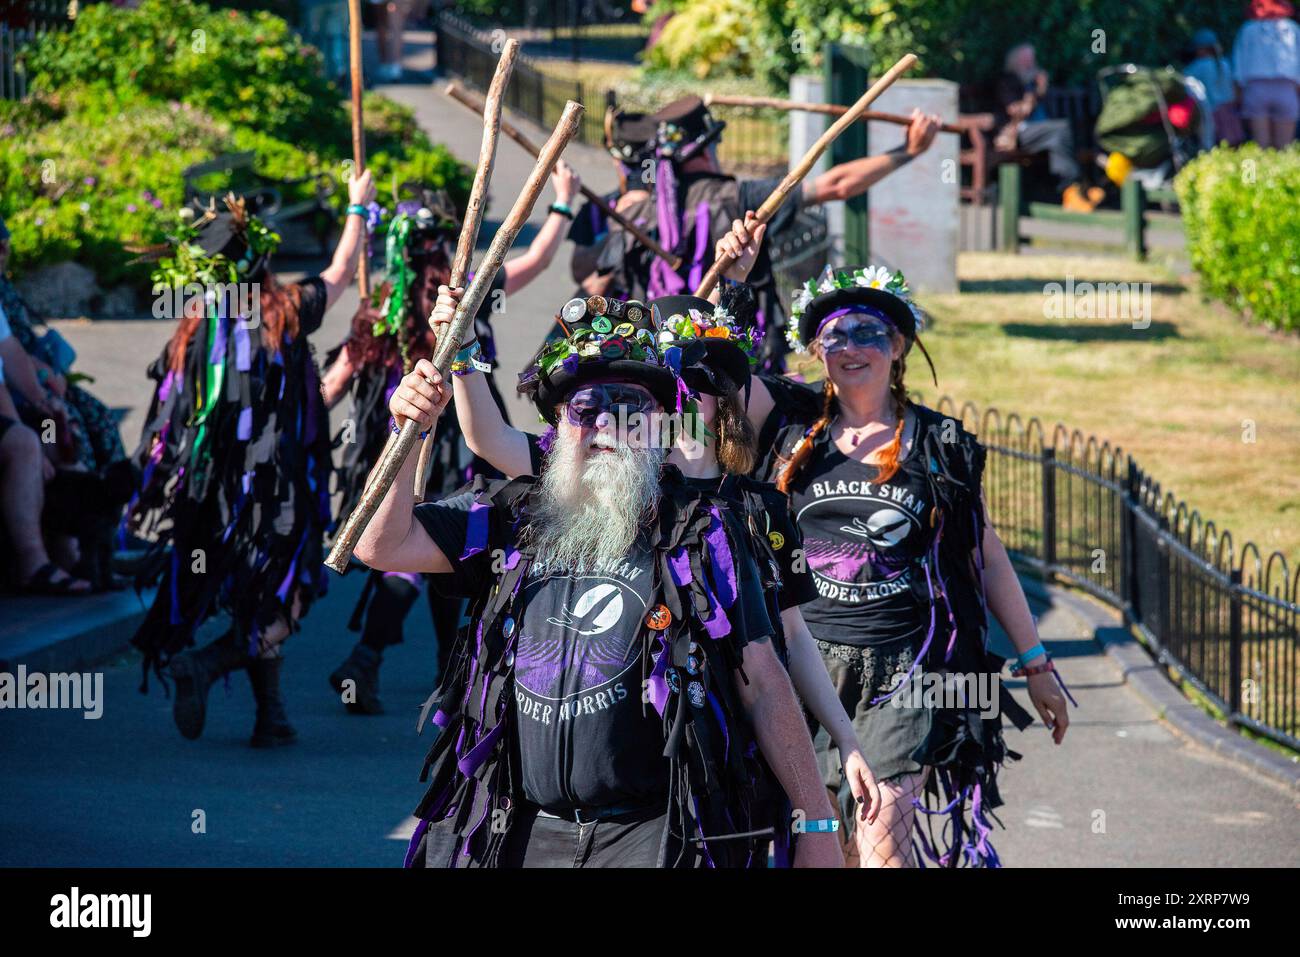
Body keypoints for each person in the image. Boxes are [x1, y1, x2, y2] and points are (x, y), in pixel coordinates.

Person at [355, 294, 844, 867]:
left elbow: (762, 680)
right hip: (525, 829)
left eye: (630, 407)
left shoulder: (704, 532)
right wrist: (407, 433)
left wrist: (815, 820)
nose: (607, 424)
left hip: (652, 836)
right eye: (587, 407)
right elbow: (379, 545)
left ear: (660, 422)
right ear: (559, 424)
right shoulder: (509, 518)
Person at [748, 261, 1073, 867]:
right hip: (805, 668)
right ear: (817, 350)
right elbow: (716, 370)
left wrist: (1036, 663)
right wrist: (738, 277)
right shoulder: (790, 428)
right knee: (823, 851)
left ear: (897, 346)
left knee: (883, 853)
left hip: (903, 674)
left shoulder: (936, 444)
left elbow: (986, 557)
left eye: (869, 332)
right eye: (835, 336)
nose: (852, 348)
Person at [127, 169, 377, 747]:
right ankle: (208, 664)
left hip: (212, 499)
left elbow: (173, 418)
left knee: (256, 593)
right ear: (261, 257)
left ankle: (272, 716)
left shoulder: (191, 332)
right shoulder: (284, 311)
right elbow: (338, 275)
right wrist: (357, 209)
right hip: (278, 494)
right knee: (286, 595)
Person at [320, 164, 580, 714]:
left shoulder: (378, 309)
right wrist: (562, 203)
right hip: (461, 452)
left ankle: (392, 663)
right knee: (449, 547)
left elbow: (336, 382)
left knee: (426, 550)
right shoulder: (473, 296)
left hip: (406, 445)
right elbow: (537, 261)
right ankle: (434, 671)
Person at [593, 95, 942, 372]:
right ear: (705, 150)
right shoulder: (742, 200)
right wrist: (909, 150)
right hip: (735, 359)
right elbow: (837, 185)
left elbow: (590, 276)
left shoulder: (631, 213)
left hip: (653, 359)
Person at [0, 303, 92, 595]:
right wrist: (25, 434)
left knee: (57, 437)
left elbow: (9, 349)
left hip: (9, 412)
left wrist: (45, 403)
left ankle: (71, 554)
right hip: (6, 416)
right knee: (27, 445)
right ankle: (33, 563)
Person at [996, 43, 1101, 212]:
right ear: (1015, 62)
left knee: (1060, 137)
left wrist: (1041, 89)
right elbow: (1016, 111)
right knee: (1061, 130)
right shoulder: (1009, 81)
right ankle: (1071, 189)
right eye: (1026, 61)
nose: (1031, 65)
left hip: (1043, 133)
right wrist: (1036, 92)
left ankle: (1072, 190)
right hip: (1019, 132)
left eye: (1032, 60)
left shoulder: (1031, 83)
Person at [1232, 0, 1300, 149]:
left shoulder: (1248, 29)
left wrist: (1239, 92)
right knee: (1284, 148)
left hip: (1256, 89)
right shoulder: (1292, 28)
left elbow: (1239, 65)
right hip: (1287, 89)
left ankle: (1261, 171)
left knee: (1261, 146)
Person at [1184, 28, 1245, 146]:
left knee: (1214, 146)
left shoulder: (1196, 67)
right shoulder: (1226, 64)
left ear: (1200, 50)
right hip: (1229, 111)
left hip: (1210, 112)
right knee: (1233, 146)